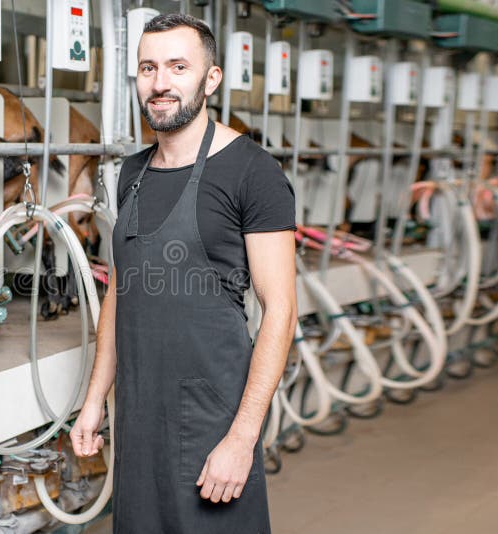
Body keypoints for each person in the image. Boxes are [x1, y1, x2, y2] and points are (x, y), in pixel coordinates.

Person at [69, 13, 297, 533]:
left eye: (178, 66)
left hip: (214, 421)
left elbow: (281, 311)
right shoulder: (131, 172)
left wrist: (242, 438)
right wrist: (94, 401)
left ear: (210, 79)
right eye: (148, 68)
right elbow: (121, 293)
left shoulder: (252, 172)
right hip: (139, 417)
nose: (160, 83)